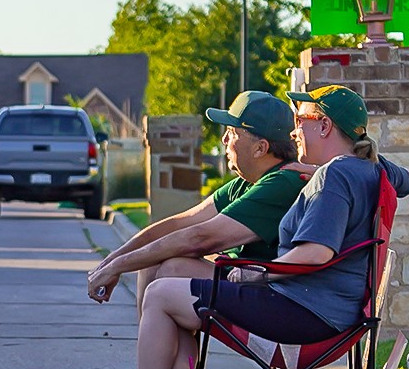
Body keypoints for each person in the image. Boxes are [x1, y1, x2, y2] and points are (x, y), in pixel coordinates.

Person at [89, 85, 409, 369]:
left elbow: (315, 253)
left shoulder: (334, 177)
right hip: (324, 309)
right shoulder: (363, 168)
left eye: (300, 120)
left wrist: (257, 273)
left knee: (163, 292)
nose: (294, 131)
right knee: (170, 284)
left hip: (302, 312)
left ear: (324, 126)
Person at [86, 92, 305, 317]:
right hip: (244, 284)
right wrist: (111, 261)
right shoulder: (245, 183)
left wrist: (118, 267)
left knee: (172, 270)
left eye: (232, 132)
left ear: (260, 148)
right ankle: (166, 352)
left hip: (273, 301)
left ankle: (160, 351)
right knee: (152, 263)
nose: (224, 140)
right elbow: (179, 224)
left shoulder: (282, 183)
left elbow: (199, 239)